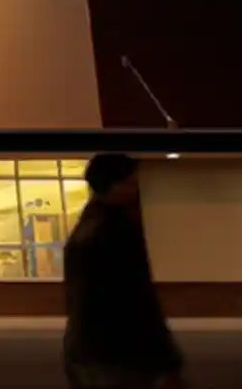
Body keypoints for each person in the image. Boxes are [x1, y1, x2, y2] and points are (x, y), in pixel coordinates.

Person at [63, 153, 185, 388]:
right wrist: (166, 357)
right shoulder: (116, 232)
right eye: (130, 183)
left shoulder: (84, 230)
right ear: (113, 186)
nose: (135, 190)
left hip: (87, 347)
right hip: (120, 352)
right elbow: (136, 296)